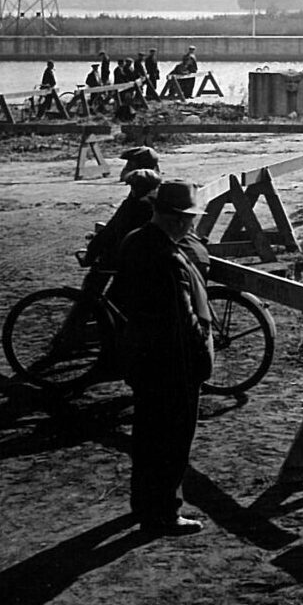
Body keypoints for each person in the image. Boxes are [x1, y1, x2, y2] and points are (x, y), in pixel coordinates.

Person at [108, 179, 215, 536]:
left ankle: (144, 505)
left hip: (142, 355)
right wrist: (202, 357)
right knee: (172, 443)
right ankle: (165, 514)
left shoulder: (134, 241)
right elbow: (184, 321)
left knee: (146, 437)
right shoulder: (169, 258)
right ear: (180, 221)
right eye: (190, 219)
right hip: (173, 364)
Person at [81, 148, 162, 289]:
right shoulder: (153, 190)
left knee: (99, 274)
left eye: (130, 165)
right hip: (145, 255)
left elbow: (116, 228)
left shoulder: (140, 201)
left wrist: (92, 251)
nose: (124, 170)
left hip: (135, 258)